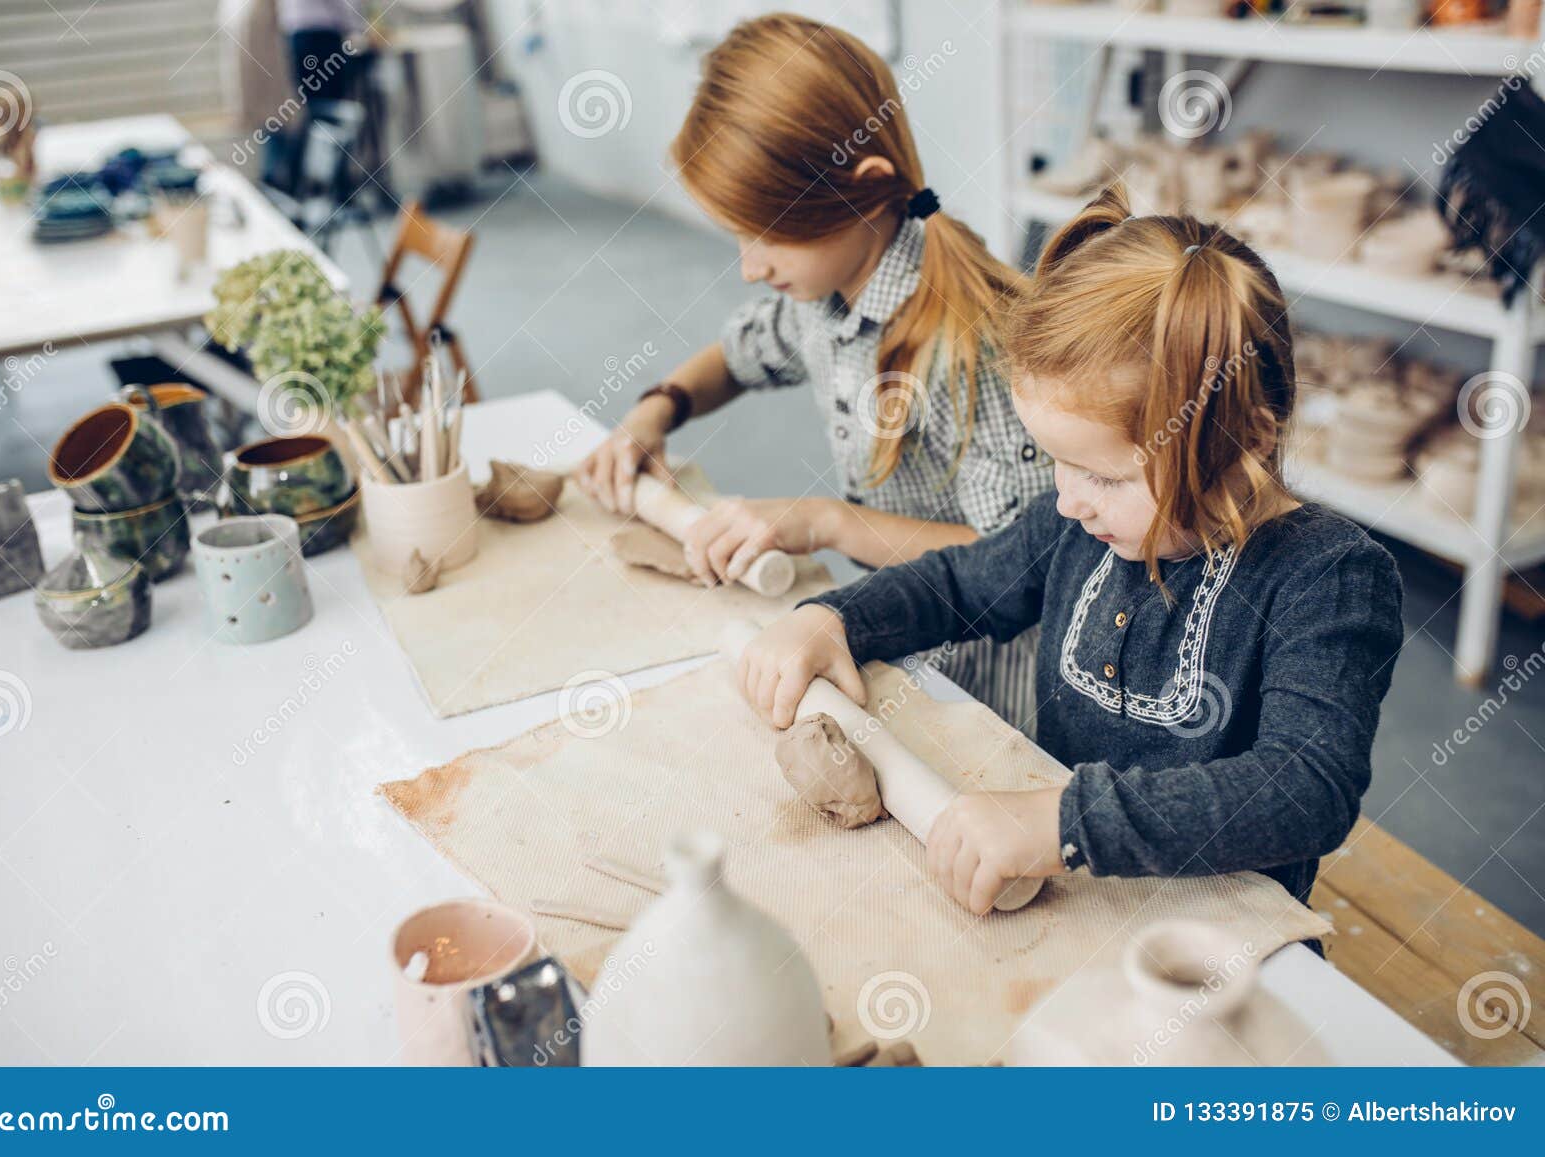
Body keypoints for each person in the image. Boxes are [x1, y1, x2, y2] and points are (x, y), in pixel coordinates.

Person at [735, 186, 1404, 916]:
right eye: (1059, 462)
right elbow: (958, 583)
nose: (1068, 499)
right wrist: (834, 618)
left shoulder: (1330, 578)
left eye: (1105, 475)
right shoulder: (1078, 528)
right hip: (1067, 896)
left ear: (1245, 440)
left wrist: (1061, 822)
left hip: (1219, 930)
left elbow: (1304, 787)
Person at [576, 13, 1053, 731]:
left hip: (988, 689)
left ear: (867, 186)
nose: (750, 266)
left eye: (770, 234)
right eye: (739, 234)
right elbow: (738, 357)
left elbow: (1028, 564)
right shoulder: (824, 290)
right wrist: (658, 410)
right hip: (902, 643)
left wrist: (827, 522)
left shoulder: (974, 346)